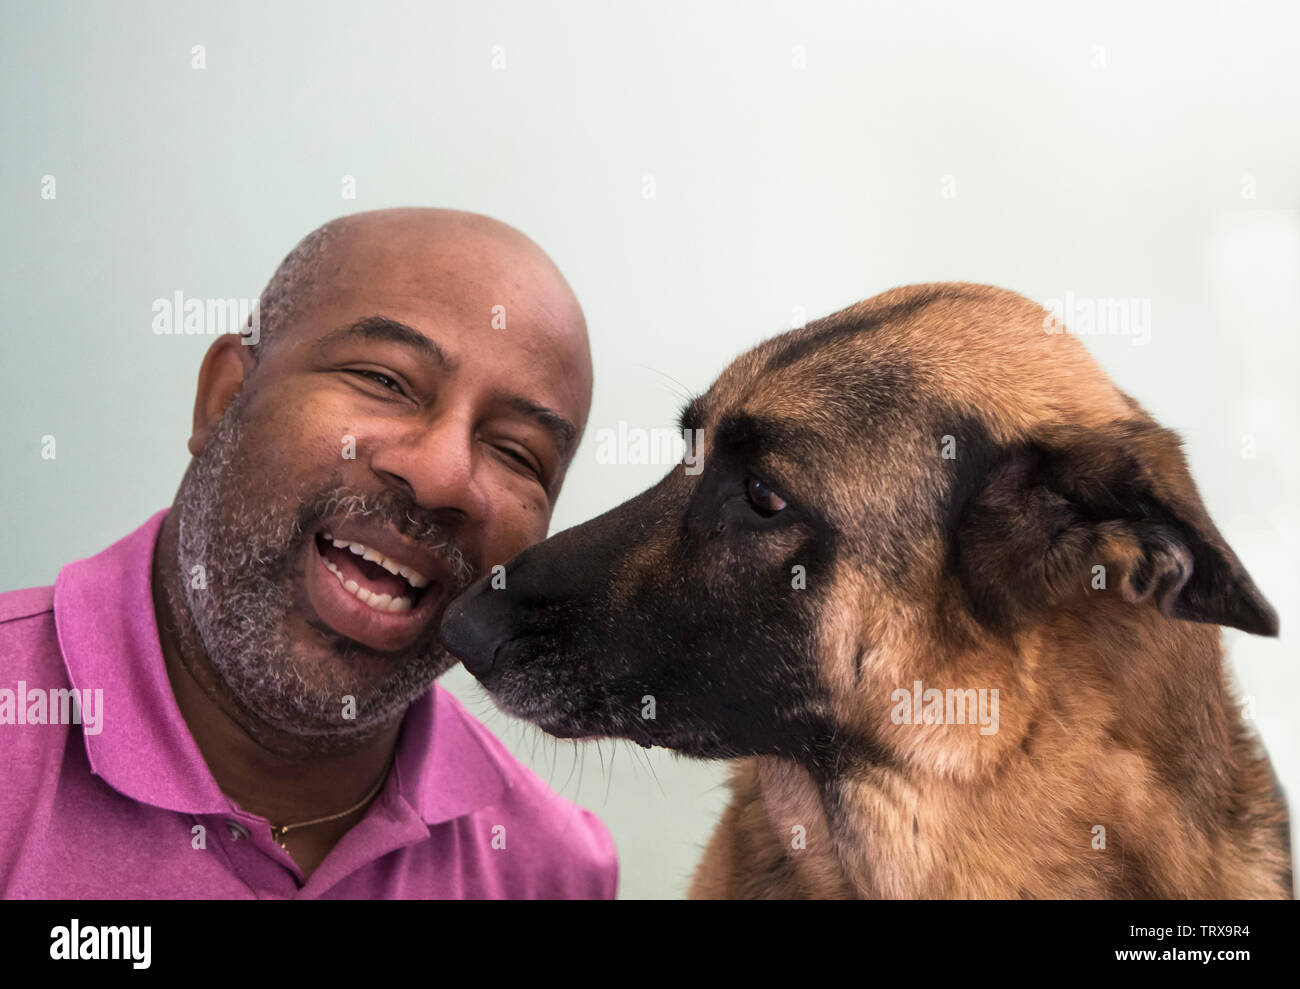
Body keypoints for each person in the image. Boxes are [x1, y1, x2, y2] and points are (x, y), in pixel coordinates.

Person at [0, 208, 616, 898]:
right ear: (224, 398)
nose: (444, 475)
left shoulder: (549, 869)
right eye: (386, 380)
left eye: (515, 452)